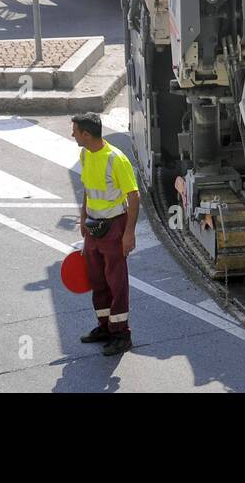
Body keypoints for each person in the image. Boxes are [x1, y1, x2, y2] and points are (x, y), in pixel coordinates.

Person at [73, 112, 139, 357]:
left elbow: (134, 196)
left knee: (116, 281)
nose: (73, 135)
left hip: (113, 227)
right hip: (93, 227)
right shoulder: (84, 154)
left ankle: (122, 334)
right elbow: (88, 189)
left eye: (75, 131)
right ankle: (105, 327)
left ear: (86, 134)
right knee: (97, 279)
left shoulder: (116, 159)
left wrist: (128, 234)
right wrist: (82, 217)